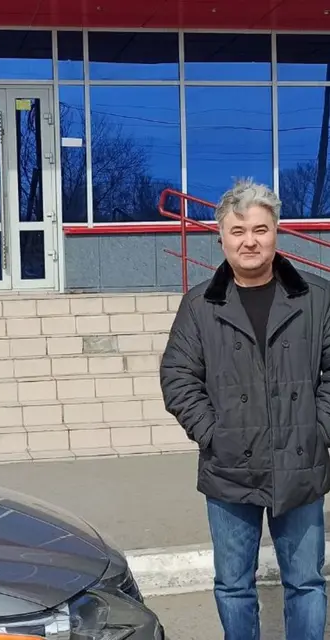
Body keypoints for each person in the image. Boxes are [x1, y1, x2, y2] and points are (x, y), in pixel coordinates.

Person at [160, 179, 330, 640]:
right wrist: (213, 433)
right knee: (234, 586)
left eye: (260, 229)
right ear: (221, 238)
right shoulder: (200, 305)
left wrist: (318, 429)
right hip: (229, 468)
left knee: (306, 583)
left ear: (276, 233)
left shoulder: (317, 298)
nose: (249, 241)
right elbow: (178, 377)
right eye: (238, 231)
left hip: (300, 464)